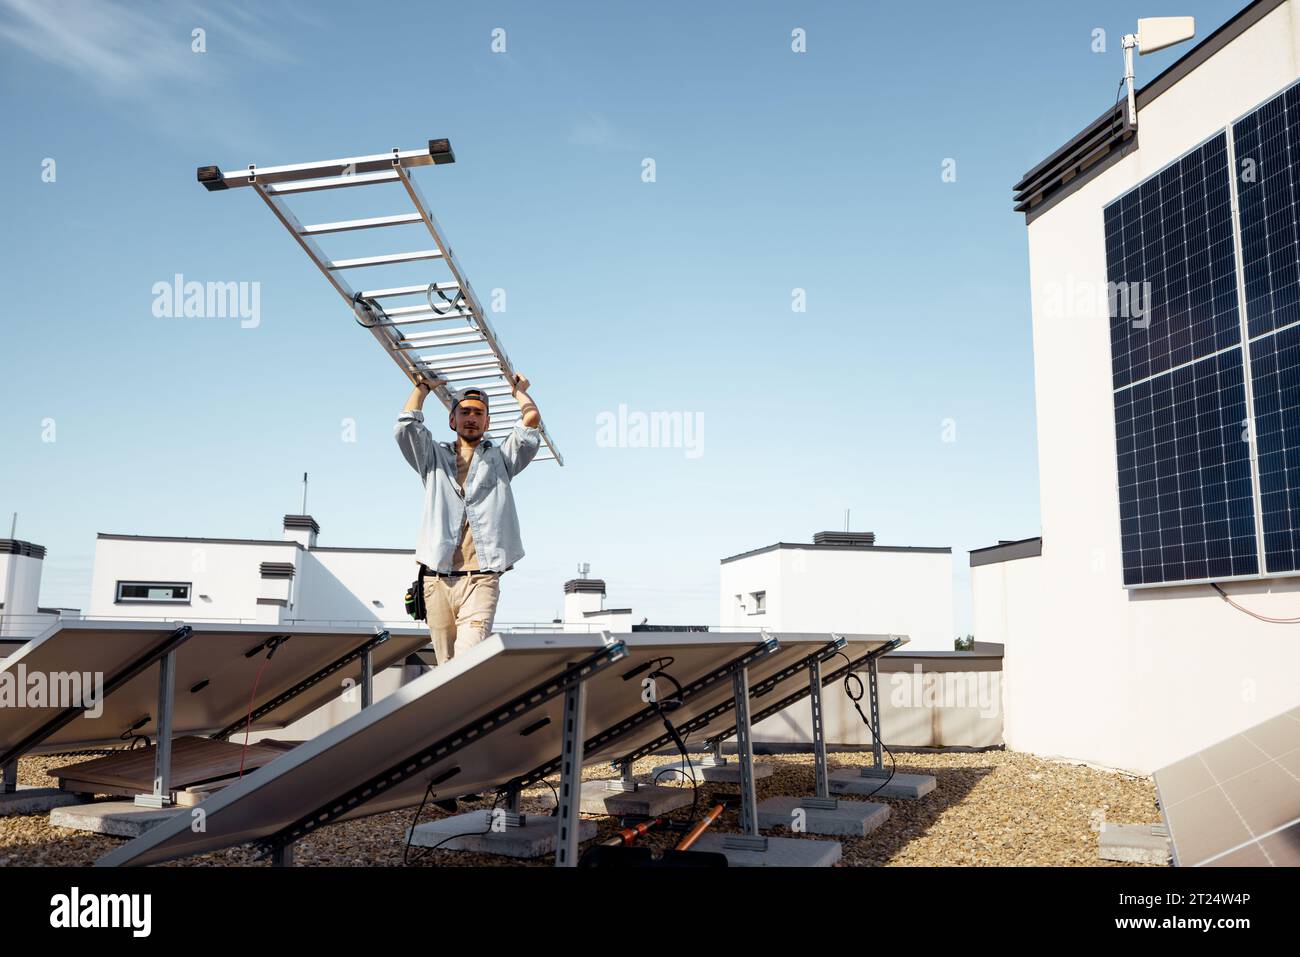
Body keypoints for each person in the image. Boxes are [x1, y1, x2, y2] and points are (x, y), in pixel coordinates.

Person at [394, 367, 542, 665]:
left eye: (478, 413)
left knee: (466, 662)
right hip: (436, 581)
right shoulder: (433, 458)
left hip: (481, 579)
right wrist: (422, 389)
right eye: (464, 412)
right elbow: (407, 428)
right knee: (445, 669)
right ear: (452, 420)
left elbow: (530, 422)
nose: (471, 417)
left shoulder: (502, 458)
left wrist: (519, 392)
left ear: (487, 421)